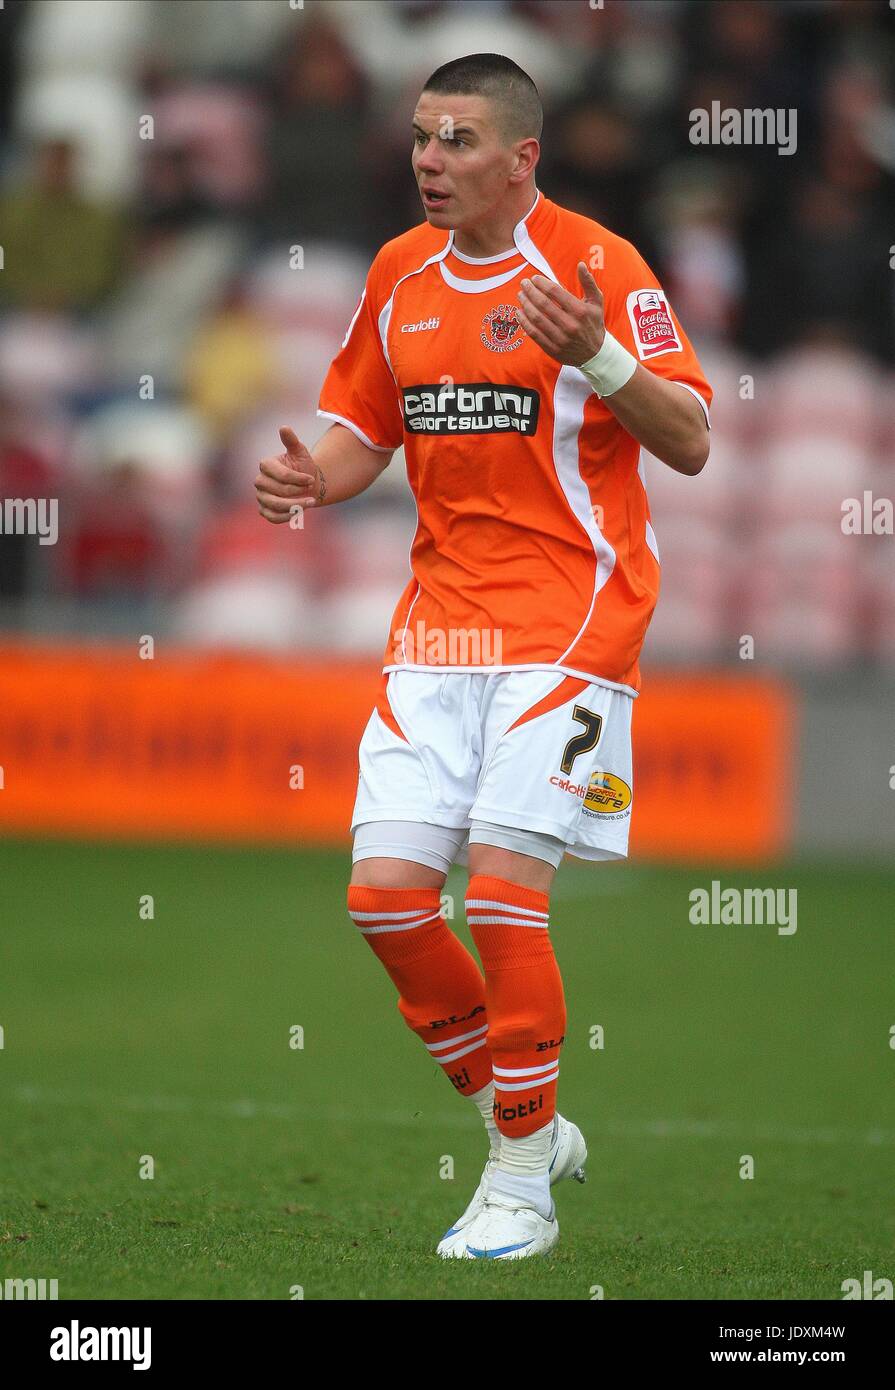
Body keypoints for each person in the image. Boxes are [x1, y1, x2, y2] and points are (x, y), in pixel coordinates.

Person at [255, 53, 712, 1261]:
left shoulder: (598, 265)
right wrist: (312, 481)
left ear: (522, 158)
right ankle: (530, 1120)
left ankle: (519, 1184)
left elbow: (694, 440)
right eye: (419, 135)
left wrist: (600, 356)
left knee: (505, 893)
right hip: (437, 630)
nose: (427, 158)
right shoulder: (399, 273)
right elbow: (361, 434)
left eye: (456, 139)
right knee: (386, 902)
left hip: (573, 619)